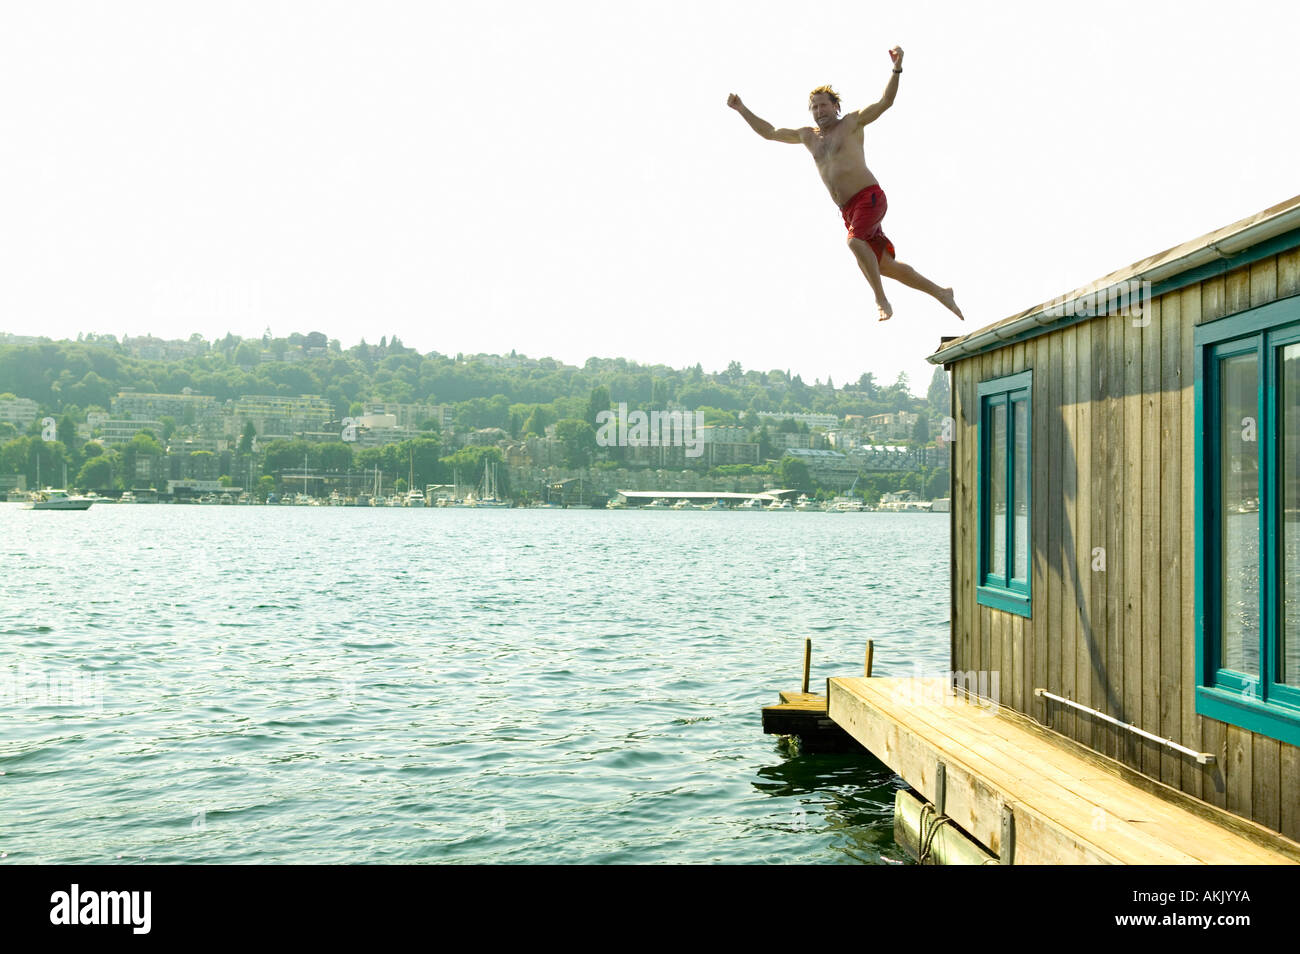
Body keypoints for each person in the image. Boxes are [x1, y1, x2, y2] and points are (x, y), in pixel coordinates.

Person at [728, 46, 963, 322]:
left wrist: (896, 68)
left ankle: (881, 299)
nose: (819, 110)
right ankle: (941, 292)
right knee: (884, 266)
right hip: (849, 210)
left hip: (870, 197)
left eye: (824, 105)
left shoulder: (852, 123)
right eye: (814, 107)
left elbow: (885, 101)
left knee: (854, 242)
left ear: (835, 106)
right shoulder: (807, 136)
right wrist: (742, 108)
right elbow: (769, 132)